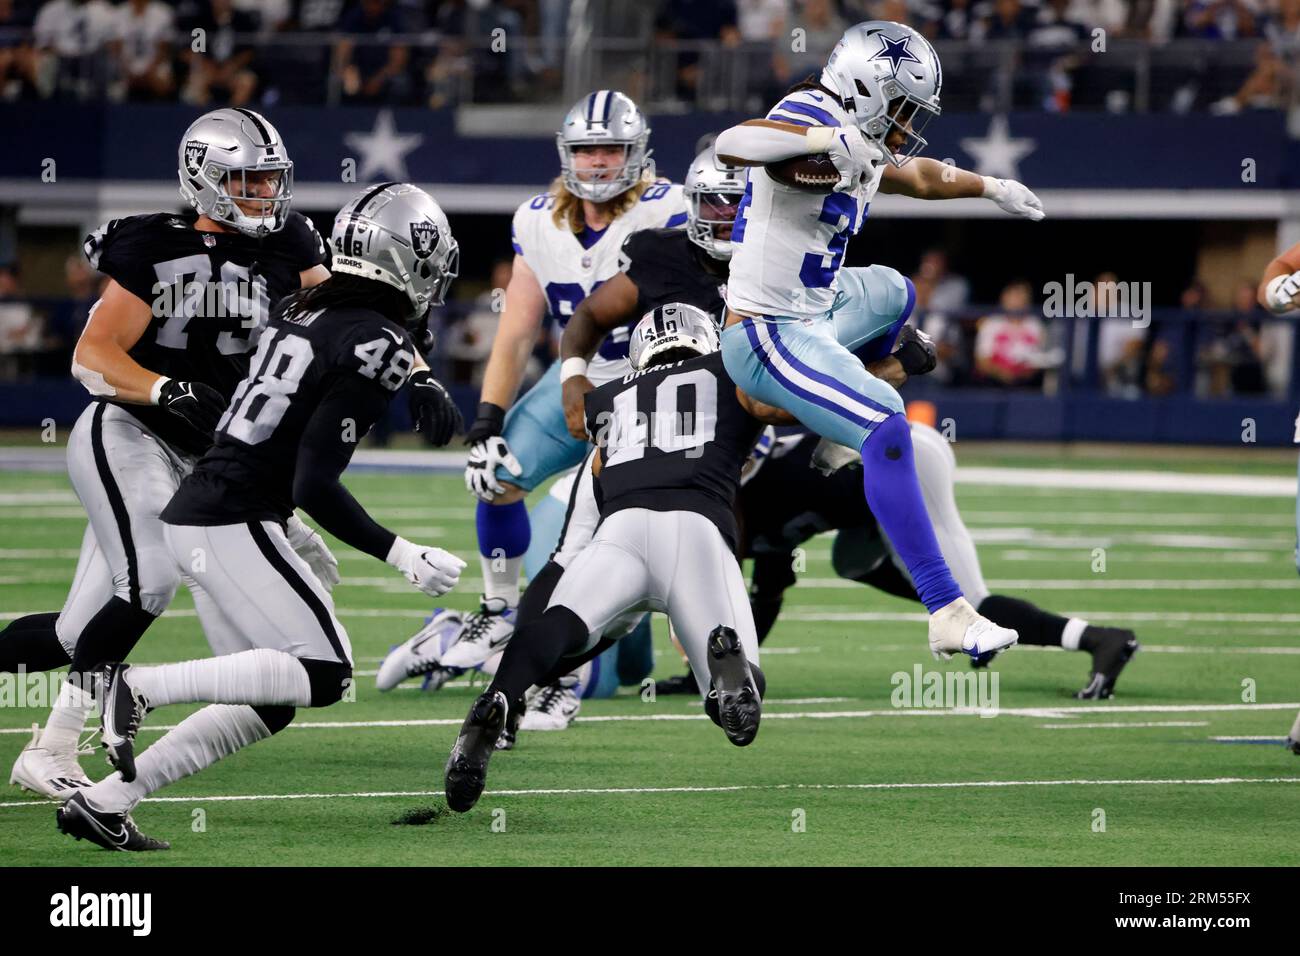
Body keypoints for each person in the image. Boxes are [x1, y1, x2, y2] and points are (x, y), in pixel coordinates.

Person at [56, 183, 465, 852]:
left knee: (270, 698)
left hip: (212, 505)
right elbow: (315, 479)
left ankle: (105, 801)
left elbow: (270, 446)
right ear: (407, 261)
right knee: (327, 672)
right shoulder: (376, 340)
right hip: (228, 515)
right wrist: (401, 554)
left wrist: (289, 525)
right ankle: (136, 686)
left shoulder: (304, 307)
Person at [1, 108, 332, 801]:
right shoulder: (152, 245)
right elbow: (91, 358)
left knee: (74, 637)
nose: (264, 197)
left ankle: (55, 738)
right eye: (246, 183)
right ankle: (56, 747)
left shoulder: (291, 245)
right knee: (149, 581)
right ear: (204, 181)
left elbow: (333, 320)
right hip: (129, 436)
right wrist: (165, 387)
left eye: (270, 182)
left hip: (210, 462)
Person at [713, 19, 1042, 661]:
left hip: (816, 310)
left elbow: (918, 176)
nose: (905, 123)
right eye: (901, 107)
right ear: (866, 87)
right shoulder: (810, 112)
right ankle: (946, 610)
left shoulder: (861, 138)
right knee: (889, 424)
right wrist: (823, 139)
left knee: (893, 290)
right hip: (765, 331)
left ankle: (836, 436)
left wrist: (991, 187)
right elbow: (732, 143)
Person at [443, 303, 791, 813]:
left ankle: (498, 697)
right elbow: (786, 407)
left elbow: (593, 484)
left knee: (560, 625)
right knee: (740, 705)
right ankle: (726, 668)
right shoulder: (731, 371)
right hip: (696, 528)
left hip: (620, 531)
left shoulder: (608, 400)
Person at [446, 91, 686, 681]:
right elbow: (516, 331)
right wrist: (488, 418)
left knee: (639, 524)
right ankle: (499, 608)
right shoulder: (536, 219)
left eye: (610, 148)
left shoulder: (669, 208)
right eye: (586, 150)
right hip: (573, 382)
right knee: (496, 476)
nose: (598, 162)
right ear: (566, 155)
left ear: (637, 151)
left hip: (650, 389)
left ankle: (664, 642)